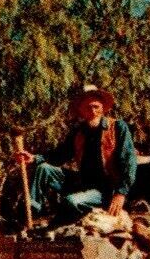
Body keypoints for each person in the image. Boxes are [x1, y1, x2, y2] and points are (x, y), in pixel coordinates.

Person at [16, 84, 138, 223]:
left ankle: (57, 225)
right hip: (82, 183)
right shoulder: (79, 132)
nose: (92, 111)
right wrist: (33, 158)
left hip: (107, 190)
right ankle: (30, 212)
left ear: (103, 107)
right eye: (87, 107)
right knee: (43, 169)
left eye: (95, 106)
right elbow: (60, 155)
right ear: (81, 111)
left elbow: (129, 162)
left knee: (72, 201)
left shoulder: (117, 127)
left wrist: (121, 193)